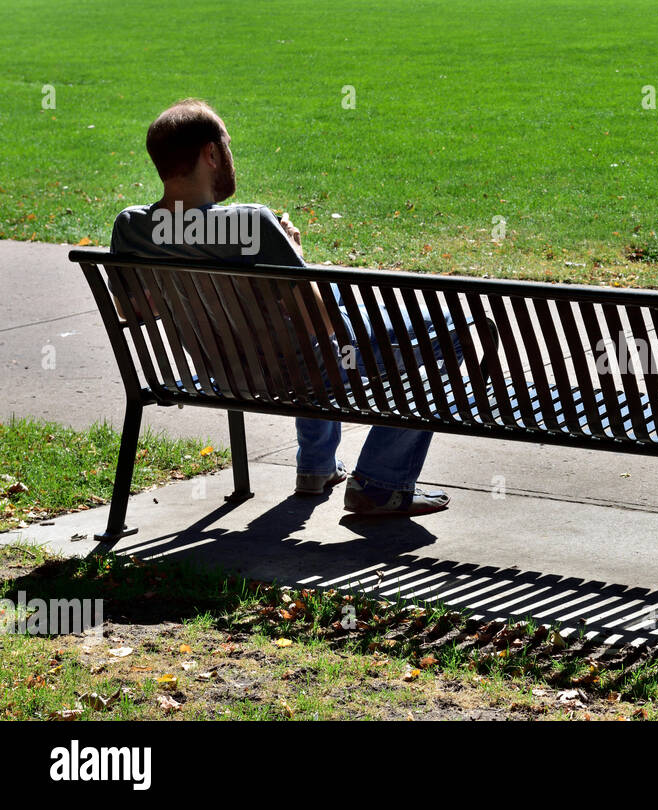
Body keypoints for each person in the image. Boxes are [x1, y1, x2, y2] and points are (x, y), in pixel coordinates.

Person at [111, 98, 452, 517]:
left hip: (227, 372)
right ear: (212, 153)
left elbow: (132, 313)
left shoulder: (130, 226)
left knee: (318, 328)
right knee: (454, 332)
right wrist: (294, 252)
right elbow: (322, 323)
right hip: (310, 367)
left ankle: (317, 467)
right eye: (227, 145)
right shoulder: (251, 224)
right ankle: (381, 483)